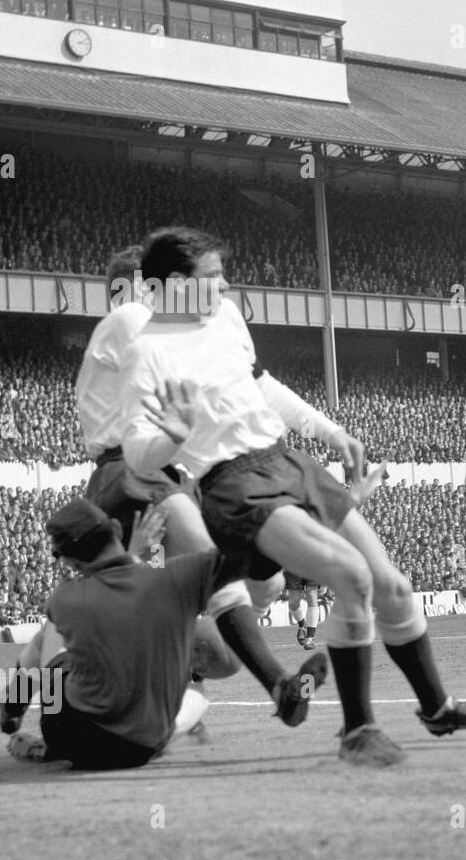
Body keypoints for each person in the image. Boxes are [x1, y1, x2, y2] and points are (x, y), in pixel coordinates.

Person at [119, 226, 466, 767]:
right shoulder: (146, 351)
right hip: (234, 484)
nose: (227, 285)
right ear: (177, 284)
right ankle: (358, 731)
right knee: (351, 577)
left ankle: (437, 708)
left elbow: (263, 386)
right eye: (213, 276)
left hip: (286, 461)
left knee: (393, 586)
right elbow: (137, 454)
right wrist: (176, 435)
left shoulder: (226, 318)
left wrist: (329, 430)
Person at [77, 245, 307, 713]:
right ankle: (276, 683)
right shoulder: (128, 319)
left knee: (255, 584)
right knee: (210, 563)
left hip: (156, 471)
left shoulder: (134, 329)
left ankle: (179, 682)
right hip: (129, 470)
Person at [0, 499, 325, 770]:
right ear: (113, 530)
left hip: (74, 738)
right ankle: (181, 703)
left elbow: (115, 605)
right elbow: (258, 557)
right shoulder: (178, 577)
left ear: (69, 559)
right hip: (139, 746)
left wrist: (134, 557)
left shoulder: (64, 599)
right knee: (197, 695)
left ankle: (11, 711)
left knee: (49, 642)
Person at [285, 571, 321, 649]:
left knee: (311, 594)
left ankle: (310, 639)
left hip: (313, 563)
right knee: (293, 603)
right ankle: (302, 624)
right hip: (293, 564)